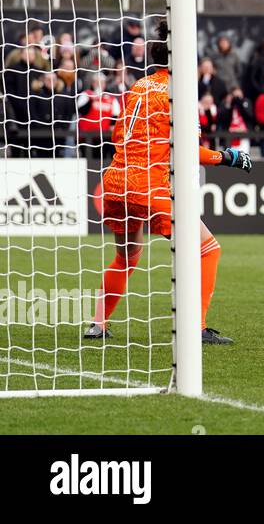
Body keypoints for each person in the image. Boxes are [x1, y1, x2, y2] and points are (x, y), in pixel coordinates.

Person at [86, 23, 252, 345]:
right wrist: (228, 158)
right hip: (148, 184)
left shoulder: (138, 87)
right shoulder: (180, 92)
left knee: (126, 256)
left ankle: (98, 324)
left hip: (115, 182)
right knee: (208, 249)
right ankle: (197, 327)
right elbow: (190, 152)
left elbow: (120, 133)